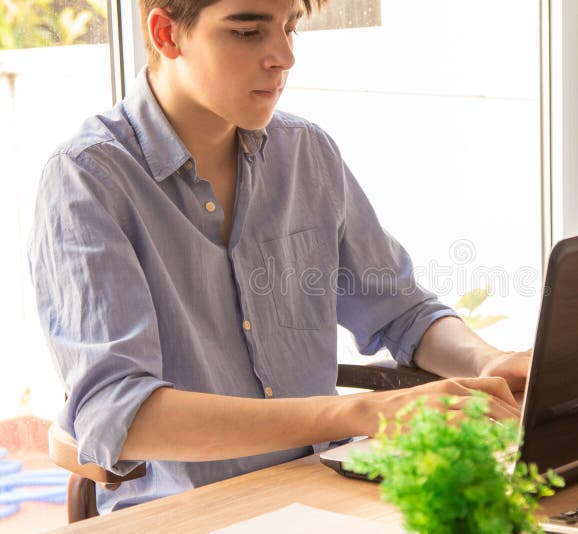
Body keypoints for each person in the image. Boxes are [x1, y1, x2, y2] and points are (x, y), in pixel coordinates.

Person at [28, 0, 531, 513]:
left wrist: (491, 361)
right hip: (191, 514)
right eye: (248, 32)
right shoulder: (86, 180)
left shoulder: (306, 153)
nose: (284, 56)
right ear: (166, 34)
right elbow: (122, 413)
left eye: (291, 28)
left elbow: (401, 310)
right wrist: (362, 412)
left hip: (331, 499)